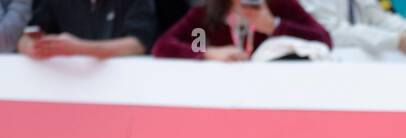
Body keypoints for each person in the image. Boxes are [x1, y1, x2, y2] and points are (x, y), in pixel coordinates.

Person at [152, 0, 330, 59]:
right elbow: (163, 45)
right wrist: (208, 53)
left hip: (273, 93)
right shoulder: (206, 14)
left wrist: (274, 26)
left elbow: (323, 38)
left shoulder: (279, 6)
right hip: (221, 96)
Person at [298, 0, 406, 58]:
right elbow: (332, 32)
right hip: (324, 73)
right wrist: (396, 41)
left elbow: (376, 16)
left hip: (360, 67)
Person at [16, 0, 156, 57]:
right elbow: (26, 36)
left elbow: (138, 44)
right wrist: (33, 48)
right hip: (67, 91)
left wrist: (80, 49)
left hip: (125, 91)